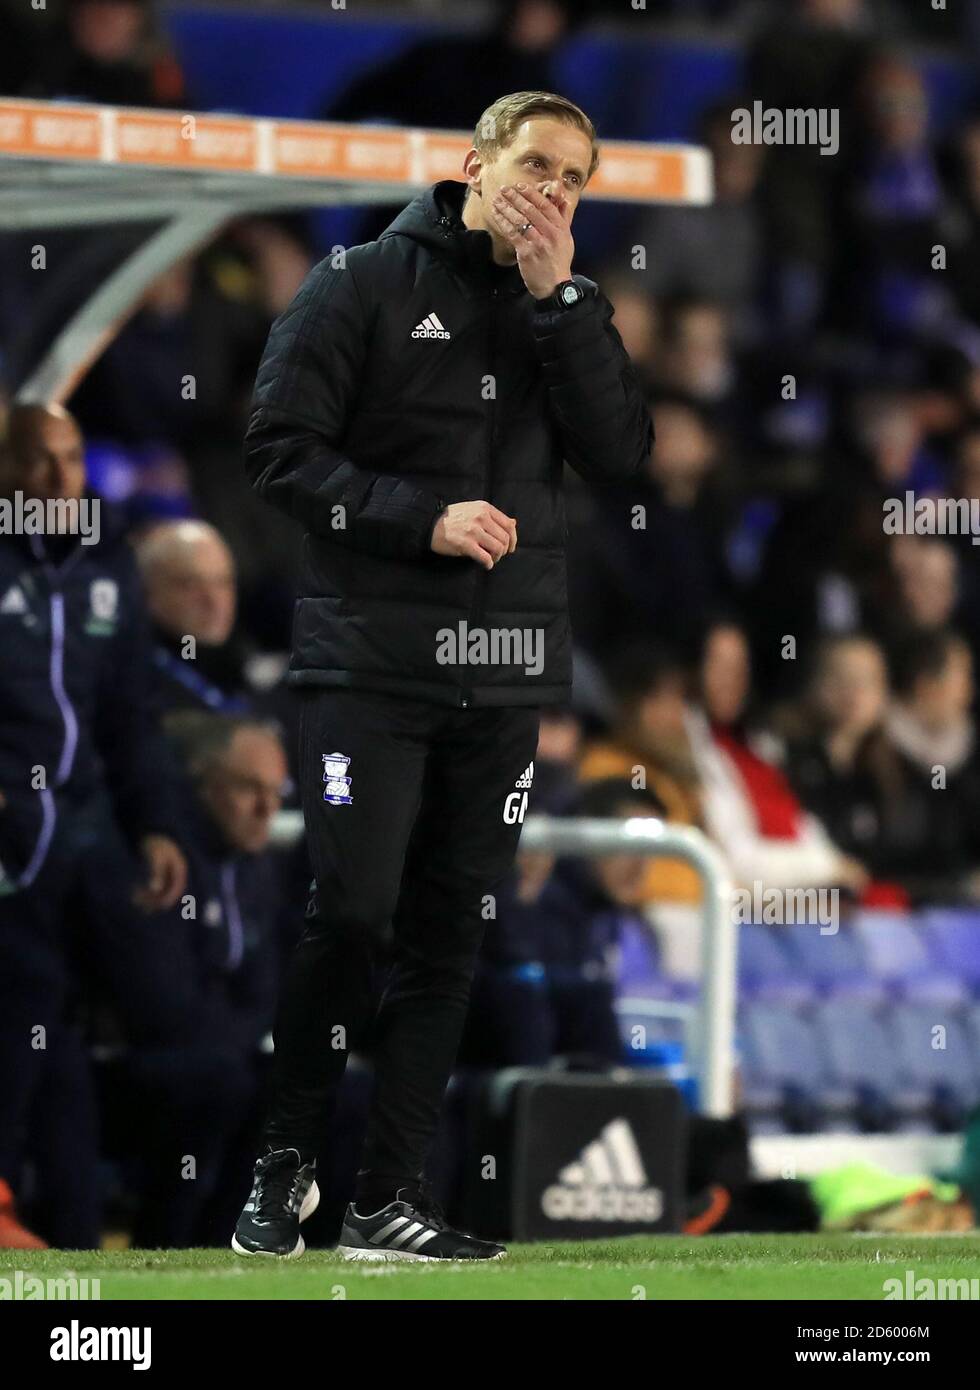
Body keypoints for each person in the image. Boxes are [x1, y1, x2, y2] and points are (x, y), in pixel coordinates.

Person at [232, 89, 653, 1262]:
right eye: (535, 165)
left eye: (573, 178)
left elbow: (624, 456)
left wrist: (557, 302)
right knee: (353, 911)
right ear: (472, 163)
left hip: (505, 671)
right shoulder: (356, 282)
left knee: (451, 932)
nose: (552, 193)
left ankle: (384, 1198)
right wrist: (418, 519)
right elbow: (276, 452)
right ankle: (285, 1169)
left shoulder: (564, 307)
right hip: (368, 661)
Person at [0, 403, 187, 1247]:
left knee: (134, 1027)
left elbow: (130, 716)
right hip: (15, 840)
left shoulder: (105, 562)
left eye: (73, 459)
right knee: (23, 1018)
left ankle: (95, 1238)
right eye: (41, 461)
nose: (60, 479)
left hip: (88, 833)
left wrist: (156, 826)